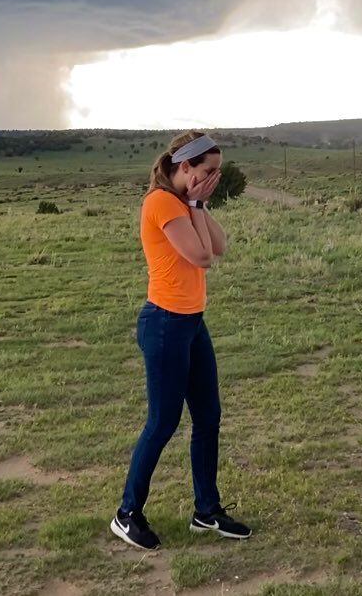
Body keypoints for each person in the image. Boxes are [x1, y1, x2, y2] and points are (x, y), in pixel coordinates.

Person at [111, 131, 252, 550]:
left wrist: (199, 204)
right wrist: (193, 206)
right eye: (208, 171)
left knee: (208, 417)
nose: (213, 179)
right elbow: (202, 257)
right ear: (185, 166)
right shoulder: (161, 203)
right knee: (163, 421)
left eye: (218, 172)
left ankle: (206, 511)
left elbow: (220, 246)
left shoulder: (186, 203)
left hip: (191, 323)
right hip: (164, 324)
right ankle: (126, 513)